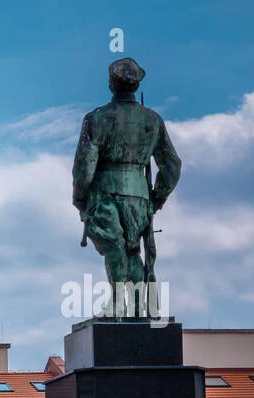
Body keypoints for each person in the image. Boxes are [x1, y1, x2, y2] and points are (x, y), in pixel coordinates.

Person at [72, 57, 181, 319]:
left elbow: (85, 164)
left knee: (114, 247)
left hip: (106, 192)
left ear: (111, 83)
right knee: (132, 249)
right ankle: (134, 307)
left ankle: (120, 303)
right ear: (136, 85)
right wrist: (157, 197)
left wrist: (80, 197)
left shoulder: (96, 118)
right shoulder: (153, 120)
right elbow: (172, 164)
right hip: (140, 197)